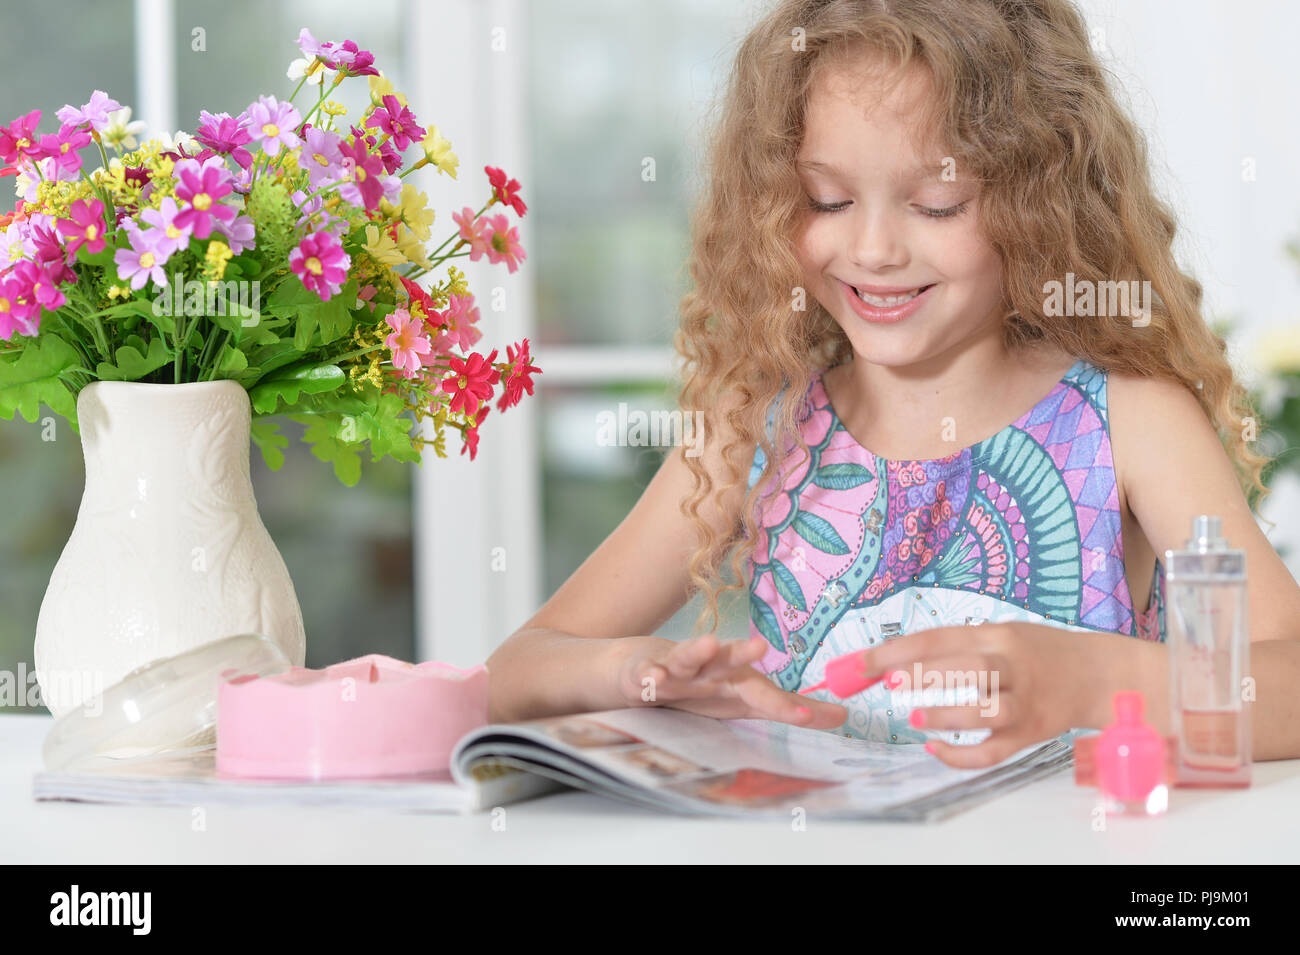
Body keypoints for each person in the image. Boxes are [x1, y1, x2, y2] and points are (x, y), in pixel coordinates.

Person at [488, 0, 1300, 767]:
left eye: (938, 204)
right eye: (826, 199)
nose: (873, 249)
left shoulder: (1128, 421)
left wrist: (1093, 679)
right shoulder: (758, 427)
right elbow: (518, 669)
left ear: (1038, 201)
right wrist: (645, 671)